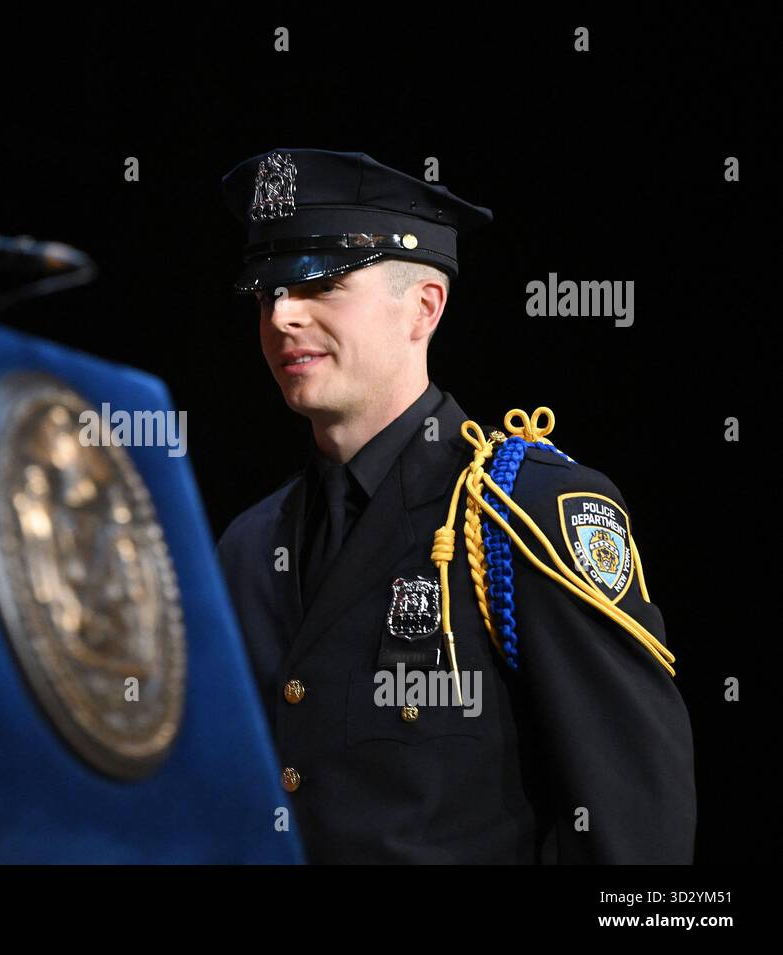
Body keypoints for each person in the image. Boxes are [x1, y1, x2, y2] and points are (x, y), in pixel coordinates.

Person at [215, 148, 696, 863]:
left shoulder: (524, 512)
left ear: (424, 308)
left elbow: (638, 829)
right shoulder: (249, 546)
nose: (283, 314)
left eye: (321, 283)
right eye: (267, 292)